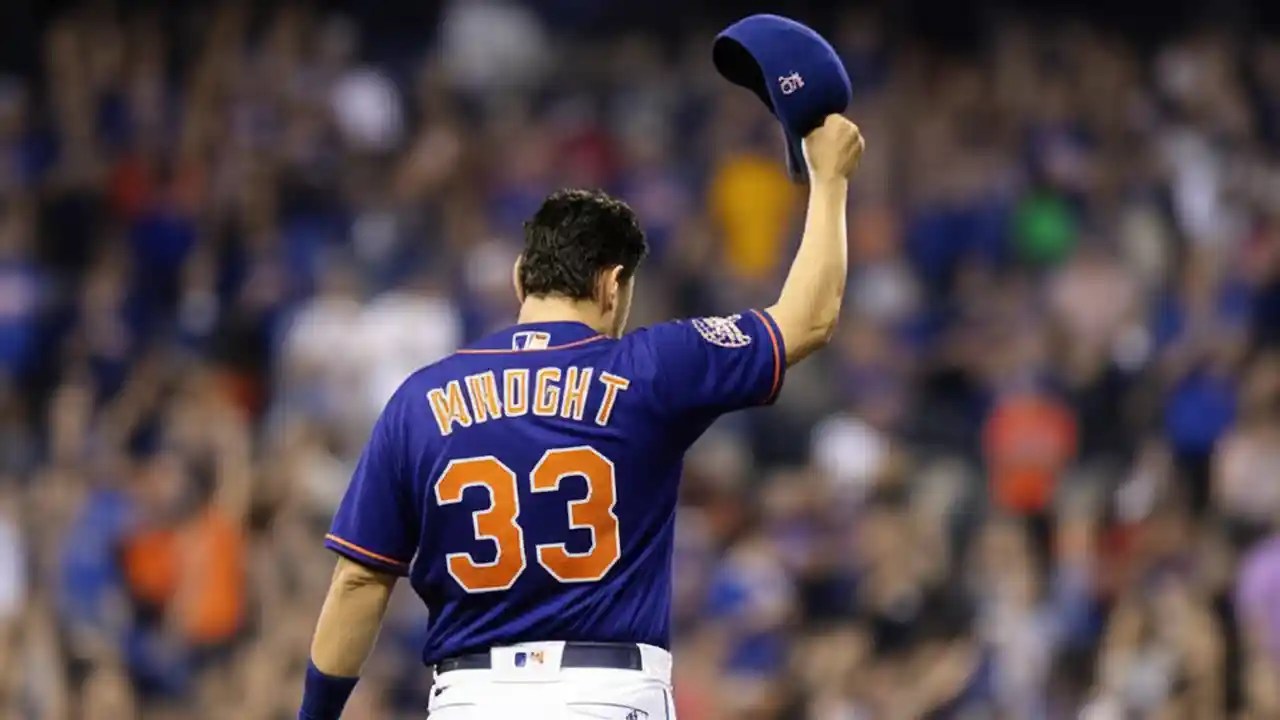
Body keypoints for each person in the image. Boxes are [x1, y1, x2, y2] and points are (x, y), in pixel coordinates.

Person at [297, 114, 865, 719]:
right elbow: (809, 318)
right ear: (612, 285)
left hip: (471, 699)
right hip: (608, 693)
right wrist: (829, 179)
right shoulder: (650, 368)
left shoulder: (420, 400)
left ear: (521, 279)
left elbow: (358, 584)